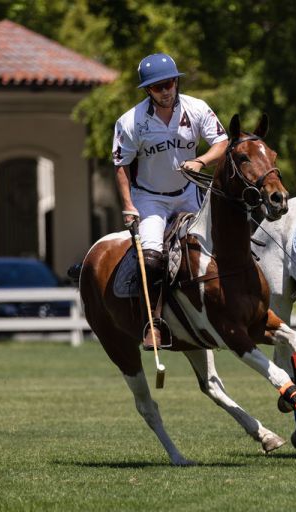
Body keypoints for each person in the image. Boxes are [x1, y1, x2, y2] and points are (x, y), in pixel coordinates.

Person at [112, 53, 229, 349]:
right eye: (157, 87)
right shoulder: (131, 121)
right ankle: (153, 322)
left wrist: (201, 161)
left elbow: (222, 142)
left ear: (176, 82)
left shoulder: (197, 108)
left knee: (220, 246)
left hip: (189, 192)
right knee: (152, 259)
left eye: (168, 84)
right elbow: (121, 165)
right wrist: (128, 206)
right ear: (148, 91)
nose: (164, 91)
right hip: (151, 199)